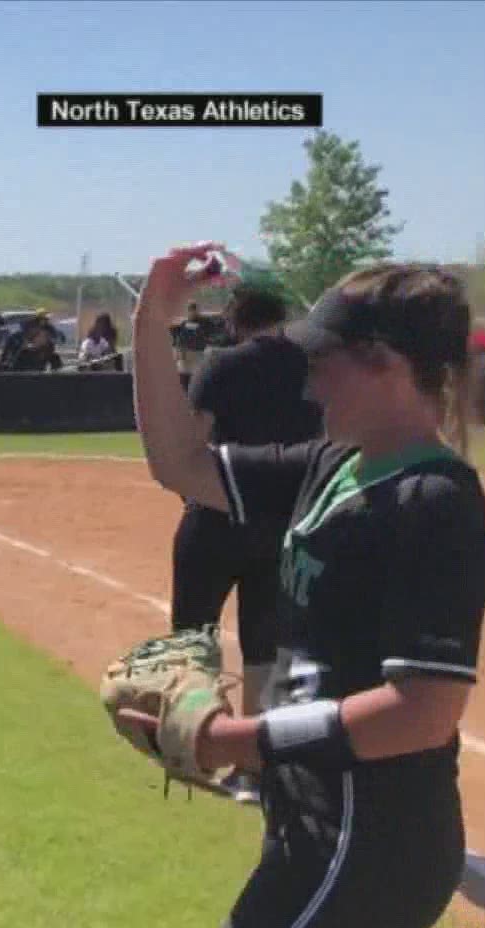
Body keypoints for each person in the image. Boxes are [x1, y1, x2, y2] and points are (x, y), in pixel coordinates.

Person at [122, 242, 485, 928]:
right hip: (316, 829)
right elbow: (179, 463)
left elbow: (422, 712)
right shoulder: (333, 465)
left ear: (387, 365)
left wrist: (237, 740)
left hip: (370, 846)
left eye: (325, 362)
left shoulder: (434, 504)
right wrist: (152, 322)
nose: (309, 382)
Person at [171, 282, 321, 808]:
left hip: (218, 510)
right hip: (282, 516)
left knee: (194, 634)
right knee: (264, 643)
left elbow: (192, 440)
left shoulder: (222, 364)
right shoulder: (310, 364)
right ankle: (253, 767)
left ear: (236, 318)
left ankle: (196, 746)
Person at [171, 301, 210, 379]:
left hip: (197, 356)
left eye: (194, 310)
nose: (193, 312)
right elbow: (179, 342)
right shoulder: (184, 324)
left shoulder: (204, 323)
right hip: (188, 358)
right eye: (191, 310)